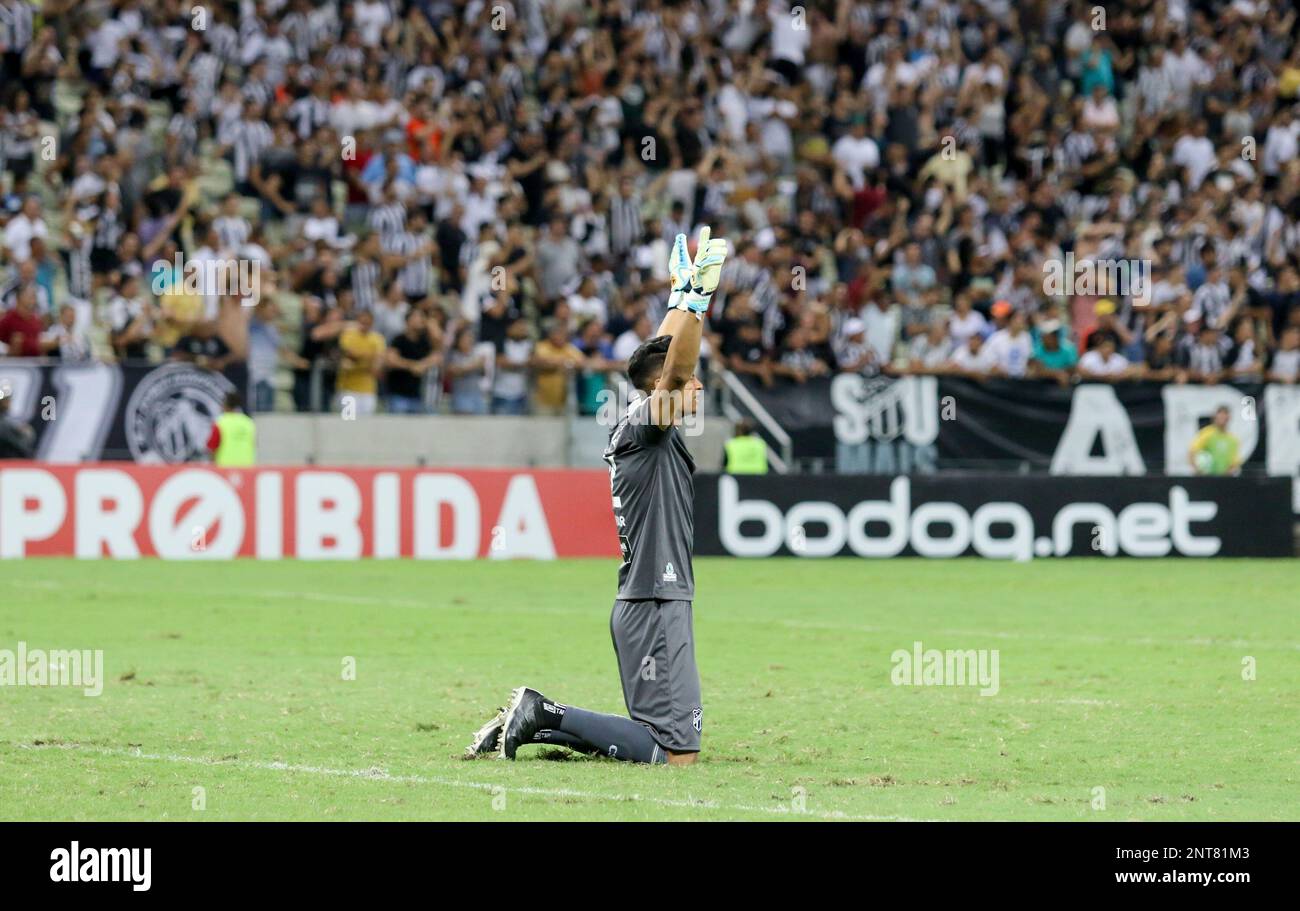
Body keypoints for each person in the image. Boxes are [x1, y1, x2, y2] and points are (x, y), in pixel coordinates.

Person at [467, 227, 728, 765]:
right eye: (692, 379)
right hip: (657, 600)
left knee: (660, 740)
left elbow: (659, 358)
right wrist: (699, 306)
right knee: (674, 754)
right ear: (666, 389)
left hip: (648, 600)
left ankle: (525, 727)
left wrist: (680, 299)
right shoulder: (648, 425)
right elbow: (672, 369)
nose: (698, 385)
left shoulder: (640, 422)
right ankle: (542, 713)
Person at [205, 391, 256, 467]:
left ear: (225, 405)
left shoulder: (220, 423)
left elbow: (212, 448)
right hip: (246, 469)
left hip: (225, 469)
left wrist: (212, 466)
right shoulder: (248, 422)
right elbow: (253, 445)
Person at [1188, 406, 1241, 476]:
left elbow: (1235, 463)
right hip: (1205, 477)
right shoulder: (1206, 433)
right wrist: (1198, 470)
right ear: (1215, 418)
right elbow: (1192, 452)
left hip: (1223, 479)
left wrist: (1228, 473)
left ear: (1228, 419)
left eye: (1224, 417)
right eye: (1220, 417)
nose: (1222, 419)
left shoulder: (1233, 439)